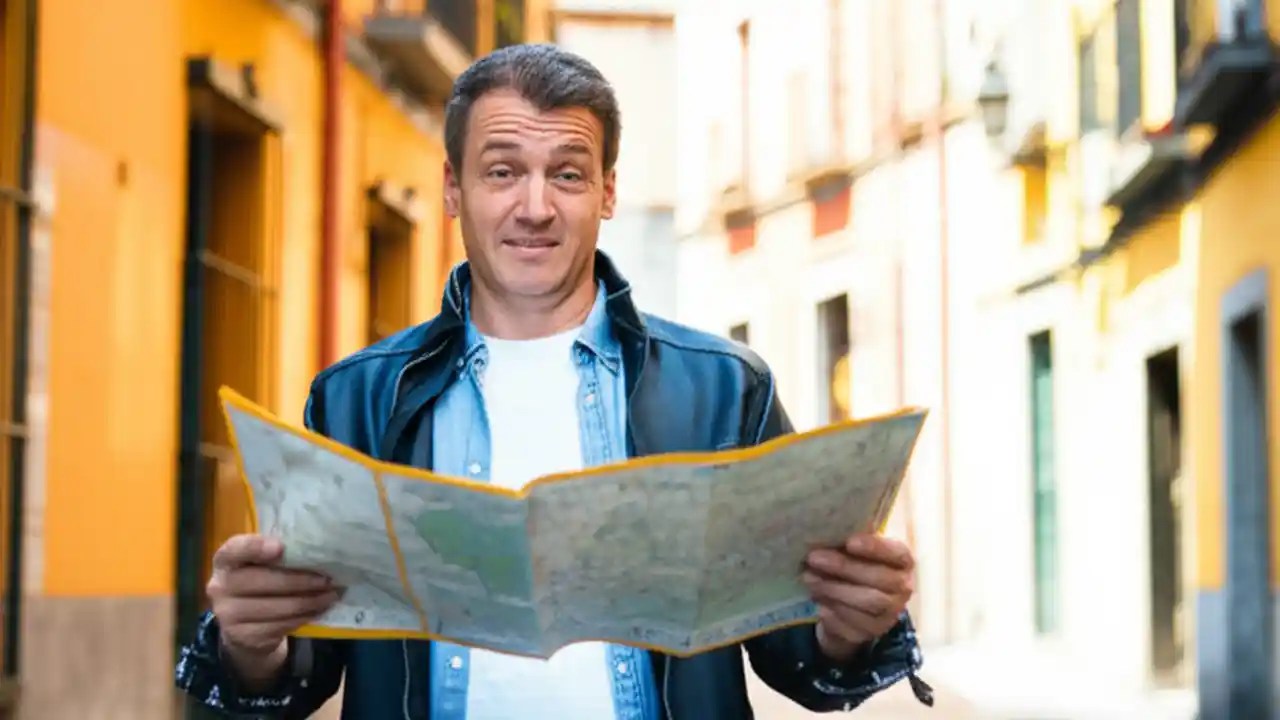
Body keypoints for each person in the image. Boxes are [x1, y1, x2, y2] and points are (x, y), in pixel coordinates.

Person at [174, 43, 932, 719]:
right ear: (452, 188)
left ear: (606, 192)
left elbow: (799, 662)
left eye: (566, 174)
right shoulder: (353, 399)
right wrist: (252, 643)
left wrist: (849, 628)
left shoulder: (726, 391)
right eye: (502, 171)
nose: (534, 208)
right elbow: (300, 676)